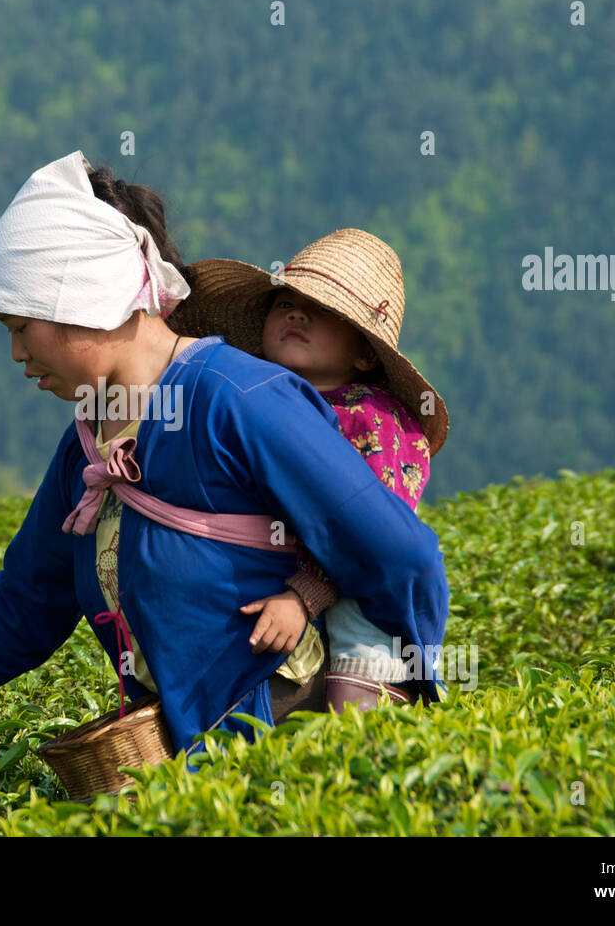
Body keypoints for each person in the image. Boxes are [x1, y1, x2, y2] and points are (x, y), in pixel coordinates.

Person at [0, 150, 450, 756]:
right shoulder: (88, 442)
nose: (18, 353)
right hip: (176, 775)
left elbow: (400, 554)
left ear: (88, 300)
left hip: (280, 772)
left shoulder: (240, 398)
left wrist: (390, 707)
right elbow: (18, 610)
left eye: (25, 326)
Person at [165, 229, 450, 712]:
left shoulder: (375, 419)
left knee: (359, 680)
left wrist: (307, 595)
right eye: (285, 304)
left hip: (359, 587)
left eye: (324, 311)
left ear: (364, 352)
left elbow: (374, 536)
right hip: (284, 582)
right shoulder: (255, 406)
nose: (297, 314)